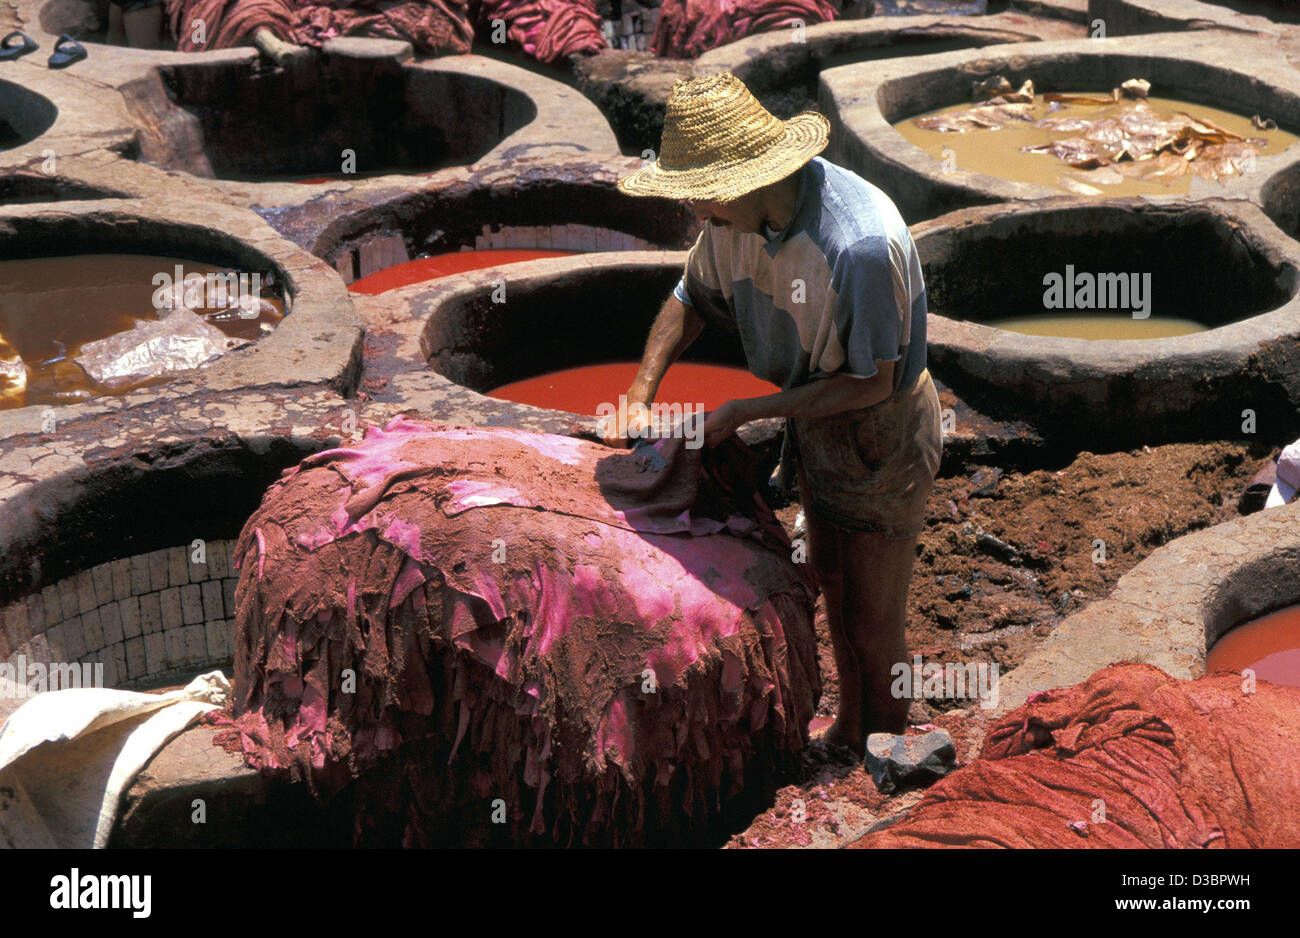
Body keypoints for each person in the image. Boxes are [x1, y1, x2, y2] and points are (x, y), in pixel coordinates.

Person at [611, 72, 941, 754]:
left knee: (872, 618)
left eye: (701, 198)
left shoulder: (857, 245)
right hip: (817, 415)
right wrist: (640, 392)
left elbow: (870, 384)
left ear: (739, 182)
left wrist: (742, 409)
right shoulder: (733, 220)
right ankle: (851, 730)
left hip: (881, 430)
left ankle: (886, 748)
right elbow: (689, 298)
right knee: (832, 580)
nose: (695, 213)